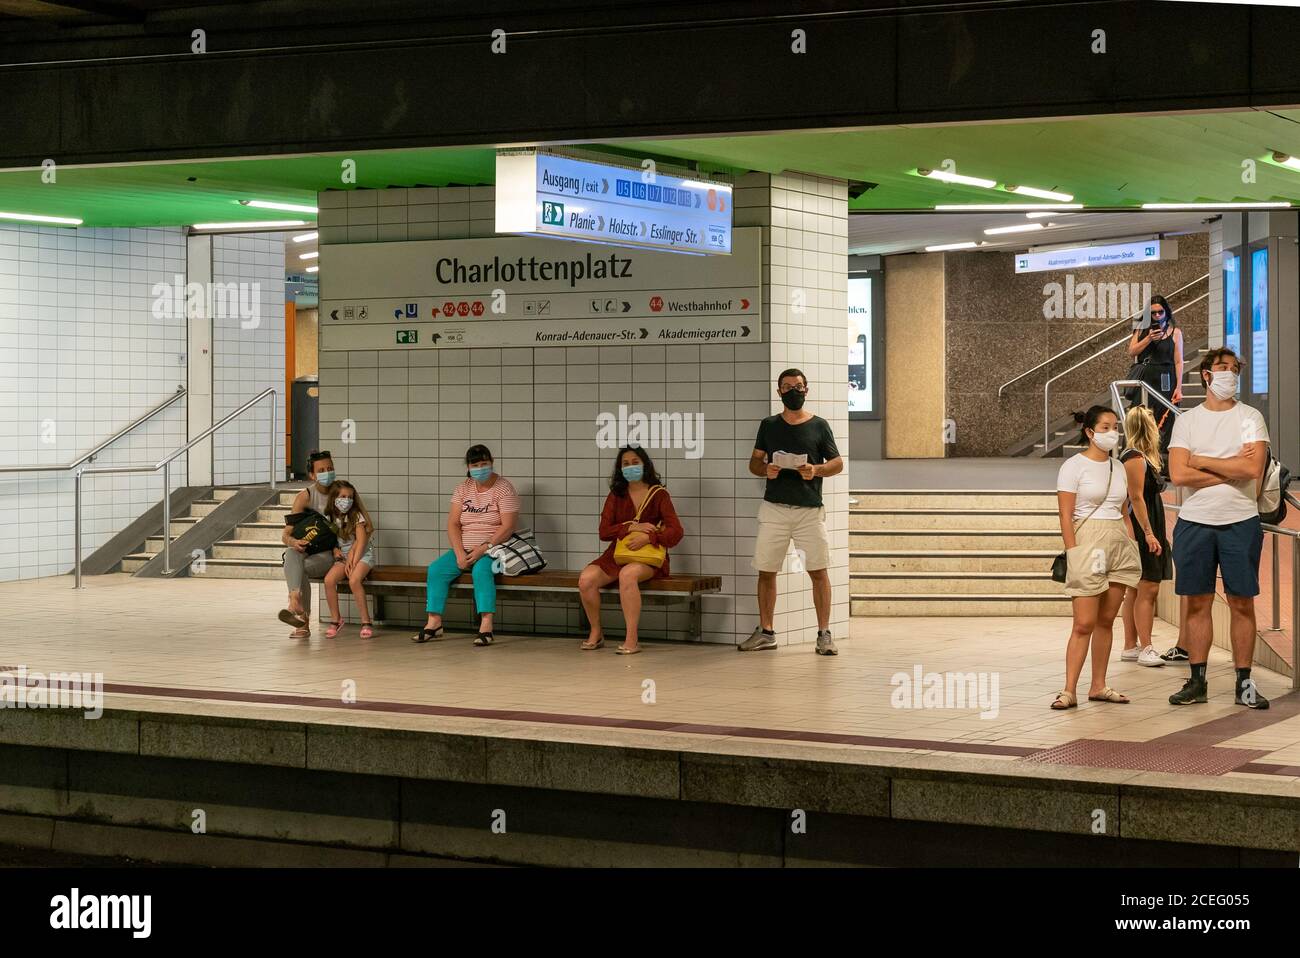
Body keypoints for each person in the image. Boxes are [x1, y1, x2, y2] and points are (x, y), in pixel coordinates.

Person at [1166, 347, 1270, 709]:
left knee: (1243, 602)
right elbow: (1178, 474)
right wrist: (1228, 470)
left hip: (1240, 521)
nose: (1230, 373)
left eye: (1234, 368)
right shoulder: (1188, 420)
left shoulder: (1249, 418)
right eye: (1222, 367)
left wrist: (1203, 462)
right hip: (1195, 522)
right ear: (1206, 375)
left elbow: (1252, 469)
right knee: (1197, 603)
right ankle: (1197, 681)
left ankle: (1244, 683)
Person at [740, 368, 845, 655]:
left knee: (818, 571)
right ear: (779, 392)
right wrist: (766, 470)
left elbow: (837, 463)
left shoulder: (819, 426)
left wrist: (816, 469)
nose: (793, 391)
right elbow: (754, 463)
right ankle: (766, 631)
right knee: (766, 569)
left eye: (798, 386)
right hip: (774, 508)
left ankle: (824, 633)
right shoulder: (769, 425)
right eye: (787, 387)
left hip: (809, 509)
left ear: (806, 389)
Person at [1050, 406, 1143, 709]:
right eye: (1104, 427)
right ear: (1089, 432)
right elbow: (1065, 514)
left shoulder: (1119, 467)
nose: (1112, 432)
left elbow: (1124, 510)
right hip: (1087, 542)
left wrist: (1132, 541)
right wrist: (1073, 550)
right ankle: (1068, 690)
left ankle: (1099, 685)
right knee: (1084, 622)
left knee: (1106, 620)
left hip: (1117, 542)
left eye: (1115, 427)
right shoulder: (1074, 466)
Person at [577, 446, 685, 654]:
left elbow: (676, 532)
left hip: (648, 557)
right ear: (619, 469)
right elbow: (604, 532)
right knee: (586, 580)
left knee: (628, 574)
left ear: (645, 464)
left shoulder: (659, 494)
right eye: (625, 464)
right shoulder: (616, 495)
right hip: (617, 555)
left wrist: (649, 537)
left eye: (635, 462)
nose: (631, 467)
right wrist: (630, 527)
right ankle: (596, 631)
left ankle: (632, 638)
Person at [414, 445, 519, 647]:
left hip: (495, 549)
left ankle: (486, 625)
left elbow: (508, 527)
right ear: (469, 467)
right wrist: (459, 552)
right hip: (464, 547)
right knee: (436, 570)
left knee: (481, 570)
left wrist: (484, 548)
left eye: (484, 464)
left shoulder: (504, 488)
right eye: (475, 465)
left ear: (491, 462)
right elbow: (453, 523)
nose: (480, 468)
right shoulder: (463, 488)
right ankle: (434, 623)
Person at [1118, 405, 1171, 667]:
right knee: (1148, 587)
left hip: (1145, 525)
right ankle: (1146, 647)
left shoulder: (1138, 456)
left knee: (1134, 590)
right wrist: (1149, 534)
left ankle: (1131, 644)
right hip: (1143, 527)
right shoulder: (1135, 457)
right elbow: (1136, 497)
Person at [278, 449, 337, 639]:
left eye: (330, 468)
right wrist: (294, 542)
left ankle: (302, 619)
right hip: (306, 550)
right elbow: (286, 535)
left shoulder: (342, 493)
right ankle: (295, 598)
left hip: (330, 554)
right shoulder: (305, 497)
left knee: (298, 568)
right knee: (291, 553)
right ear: (312, 474)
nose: (327, 473)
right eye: (321, 470)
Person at [1126, 295, 1183, 455]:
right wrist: (1149, 339)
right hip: (1146, 378)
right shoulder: (1141, 329)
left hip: (1167, 379)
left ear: (1166, 312)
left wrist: (1179, 387)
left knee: (1166, 421)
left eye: (1160, 312)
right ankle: (1136, 456)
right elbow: (1132, 351)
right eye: (1153, 313)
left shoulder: (1175, 332)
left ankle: (1161, 461)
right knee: (1140, 418)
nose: (1158, 316)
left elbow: (1179, 362)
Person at [321, 481, 377, 639]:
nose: (347, 500)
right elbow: (331, 540)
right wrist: (335, 550)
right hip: (344, 557)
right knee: (329, 580)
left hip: (363, 555)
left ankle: (366, 622)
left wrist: (353, 560)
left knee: (354, 580)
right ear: (334, 498)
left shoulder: (356, 515)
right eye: (343, 496)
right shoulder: (330, 517)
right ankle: (336, 619)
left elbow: (362, 541)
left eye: (350, 497)